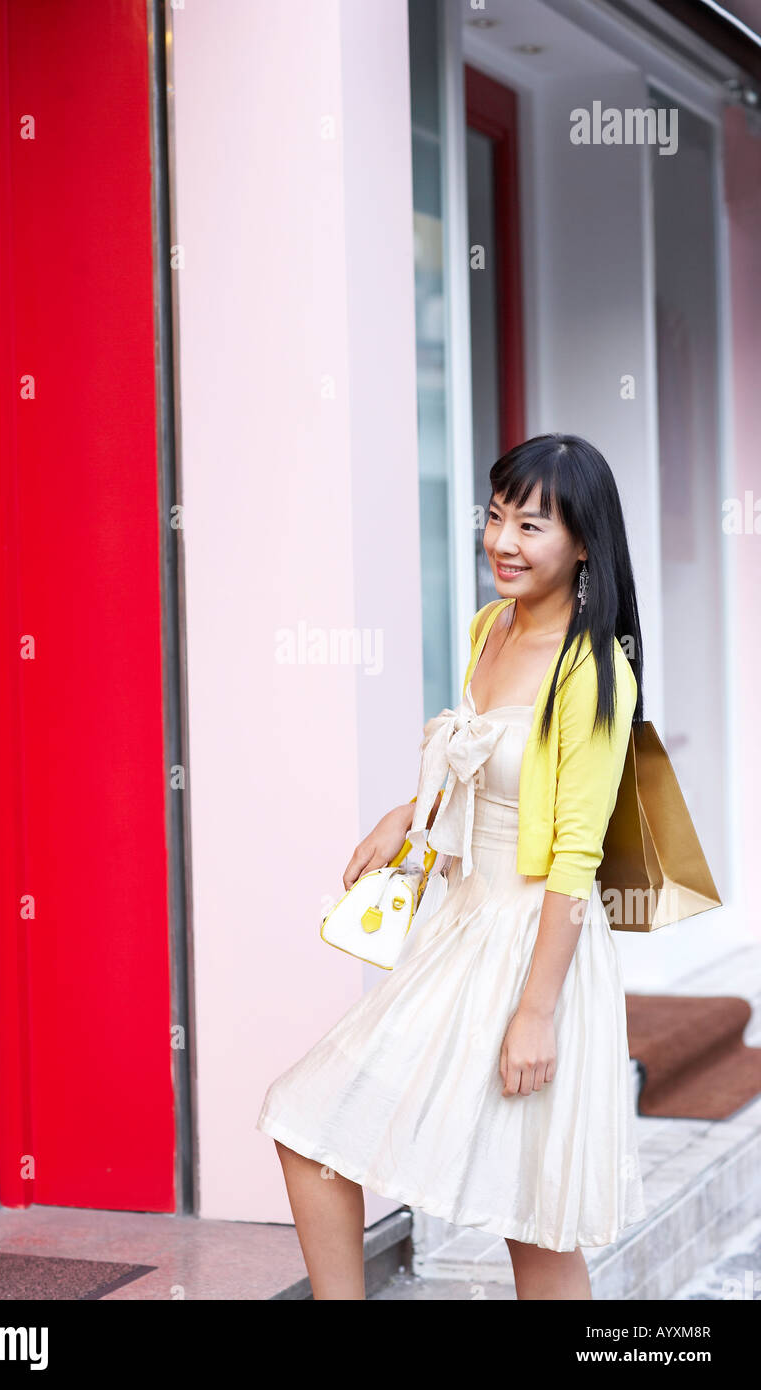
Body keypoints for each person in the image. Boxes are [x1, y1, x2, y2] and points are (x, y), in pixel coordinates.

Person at [256, 433, 647, 1300]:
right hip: (464, 925)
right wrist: (410, 816)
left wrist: (535, 1014)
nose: (503, 541)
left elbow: (576, 861)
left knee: (533, 1225)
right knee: (308, 1125)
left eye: (531, 525)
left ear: (585, 543)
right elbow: (480, 763)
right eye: (497, 516)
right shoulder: (489, 628)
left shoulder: (592, 674)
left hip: (536, 949)